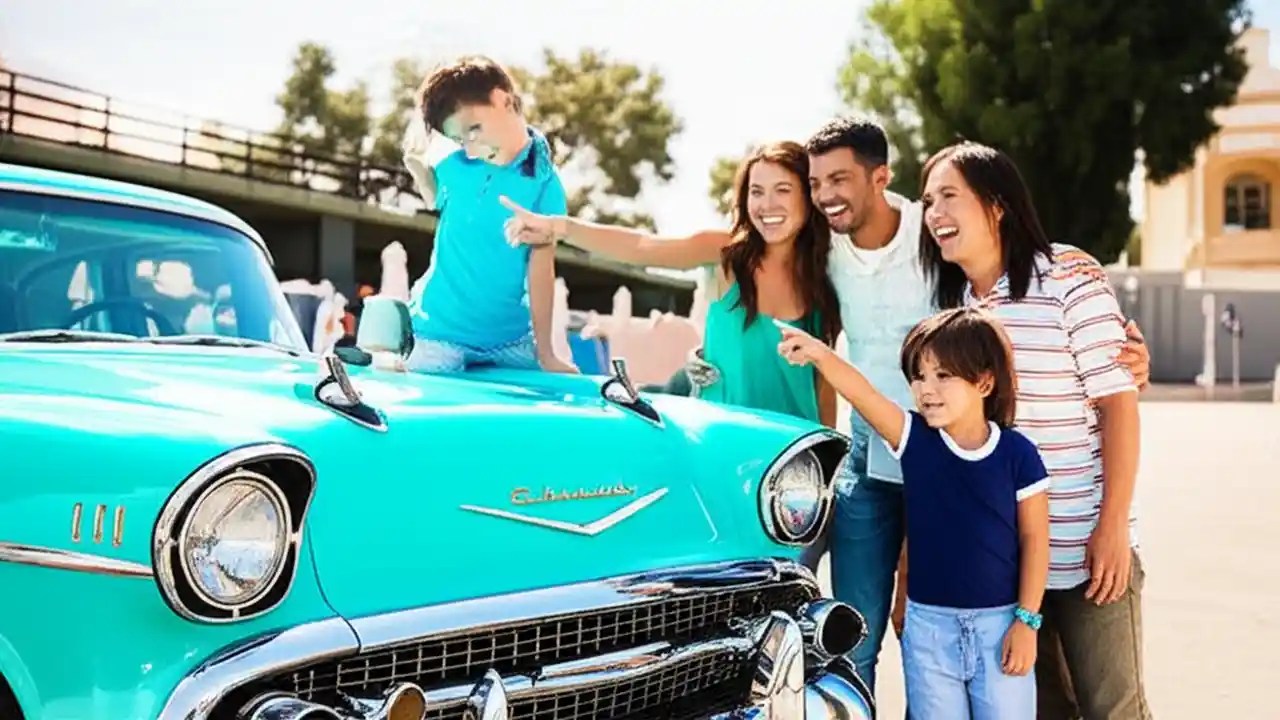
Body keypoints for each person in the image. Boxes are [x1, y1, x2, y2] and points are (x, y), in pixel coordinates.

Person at [502, 114, 1152, 701]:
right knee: (859, 629)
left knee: (990, 643)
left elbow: (1024, 287)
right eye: (813, 184)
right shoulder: (824, 248)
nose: (822, 196)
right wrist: (558, 228)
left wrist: (1117, 342)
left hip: (959, 467)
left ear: (880, 178)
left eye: (833, 181)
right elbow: (652, 246)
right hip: (872, 455)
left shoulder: (939, 245)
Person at [917, 140, 1150, 719]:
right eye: (927, 202)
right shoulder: (954, 311)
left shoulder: (1068, 275)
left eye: (949, 196)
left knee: (1113, 708)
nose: (935, 214)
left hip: (1088, 548)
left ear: (996, 204)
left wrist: (1113, 525)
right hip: (1007, 568)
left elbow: (1117, 403)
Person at [777, 306, 1050, 719]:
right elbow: (864, 395)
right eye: (918, 376)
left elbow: (1035, 540)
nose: (926, 389)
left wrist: (1027, 622)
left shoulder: (1018, 455)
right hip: (930, 633)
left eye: (943, 375)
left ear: (984, 381)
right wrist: (819, 354)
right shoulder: (915, 440)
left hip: (1001, 627)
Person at [500, 141, 841, 426]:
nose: (767, 205)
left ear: (807, 198)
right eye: (756, 191)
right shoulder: (725, 255)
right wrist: (560, 227)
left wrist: (830, 458)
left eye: (783, 190)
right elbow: (642, 247)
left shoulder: (824, 279)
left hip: (796, 459)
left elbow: (823, 386)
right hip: (726, 441)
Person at [400, 55, 576, 374]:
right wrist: (419, 169)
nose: (469, 148)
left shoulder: (544, 184)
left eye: (474, 129)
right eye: (458, 139)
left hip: (510, 341)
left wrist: (547, 352)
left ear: (503, 100)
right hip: (438, 334)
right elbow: (434, 189)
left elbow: (541, 269)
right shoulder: (455, 166)